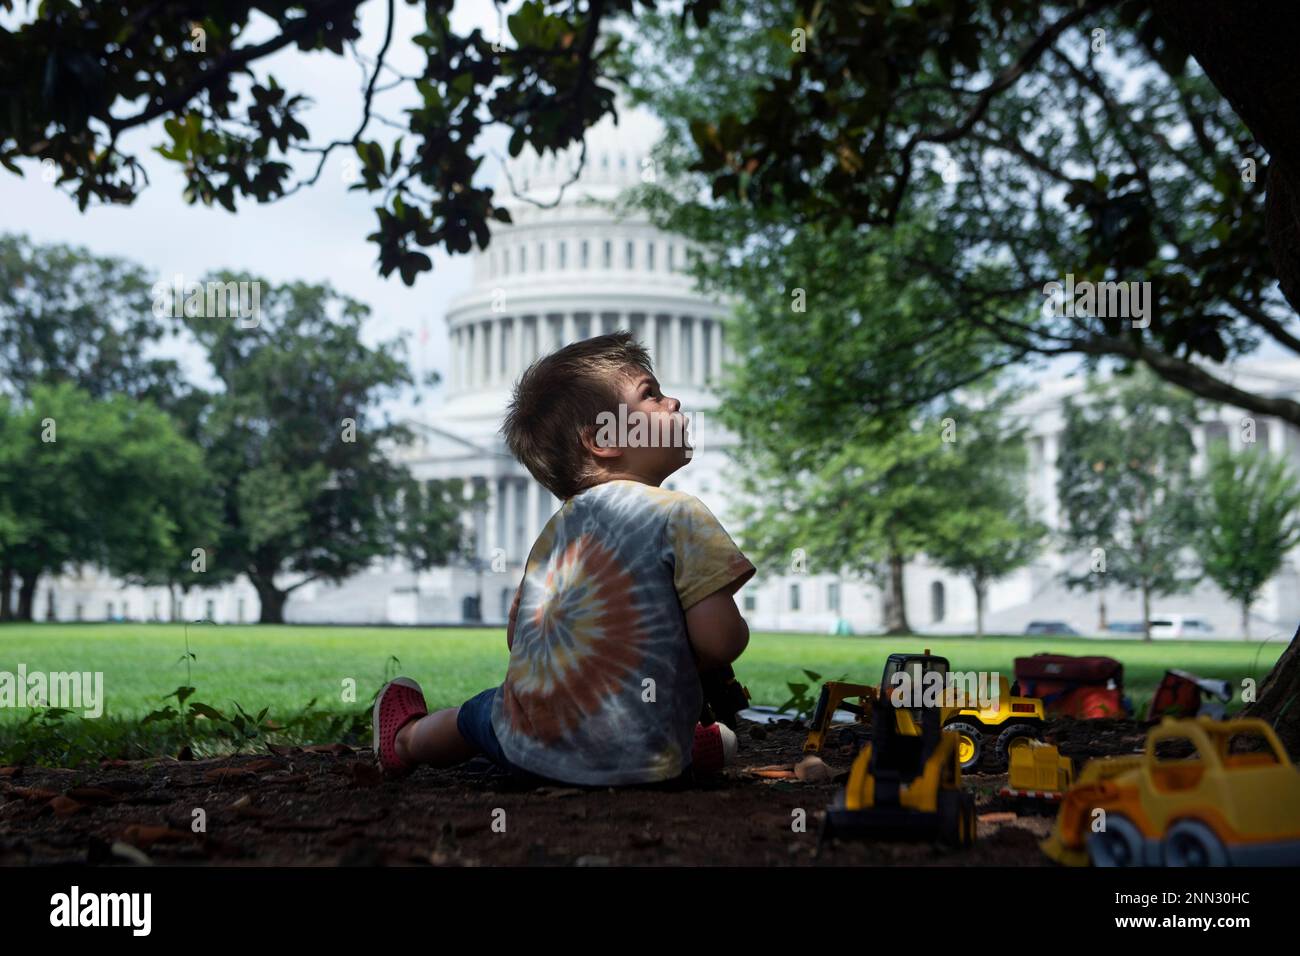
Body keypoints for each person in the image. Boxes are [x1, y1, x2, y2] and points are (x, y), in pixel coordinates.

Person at [372, 332, 754, 786]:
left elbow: (518, 638)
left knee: (478, 714)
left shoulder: (553, 537)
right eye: (650, 394)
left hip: (530, 752)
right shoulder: (680, 513)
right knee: (657, 718)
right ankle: (696, 744)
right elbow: (719, 643)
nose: (673, 403)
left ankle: (406, 742)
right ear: (602, 440)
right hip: (649, 764)